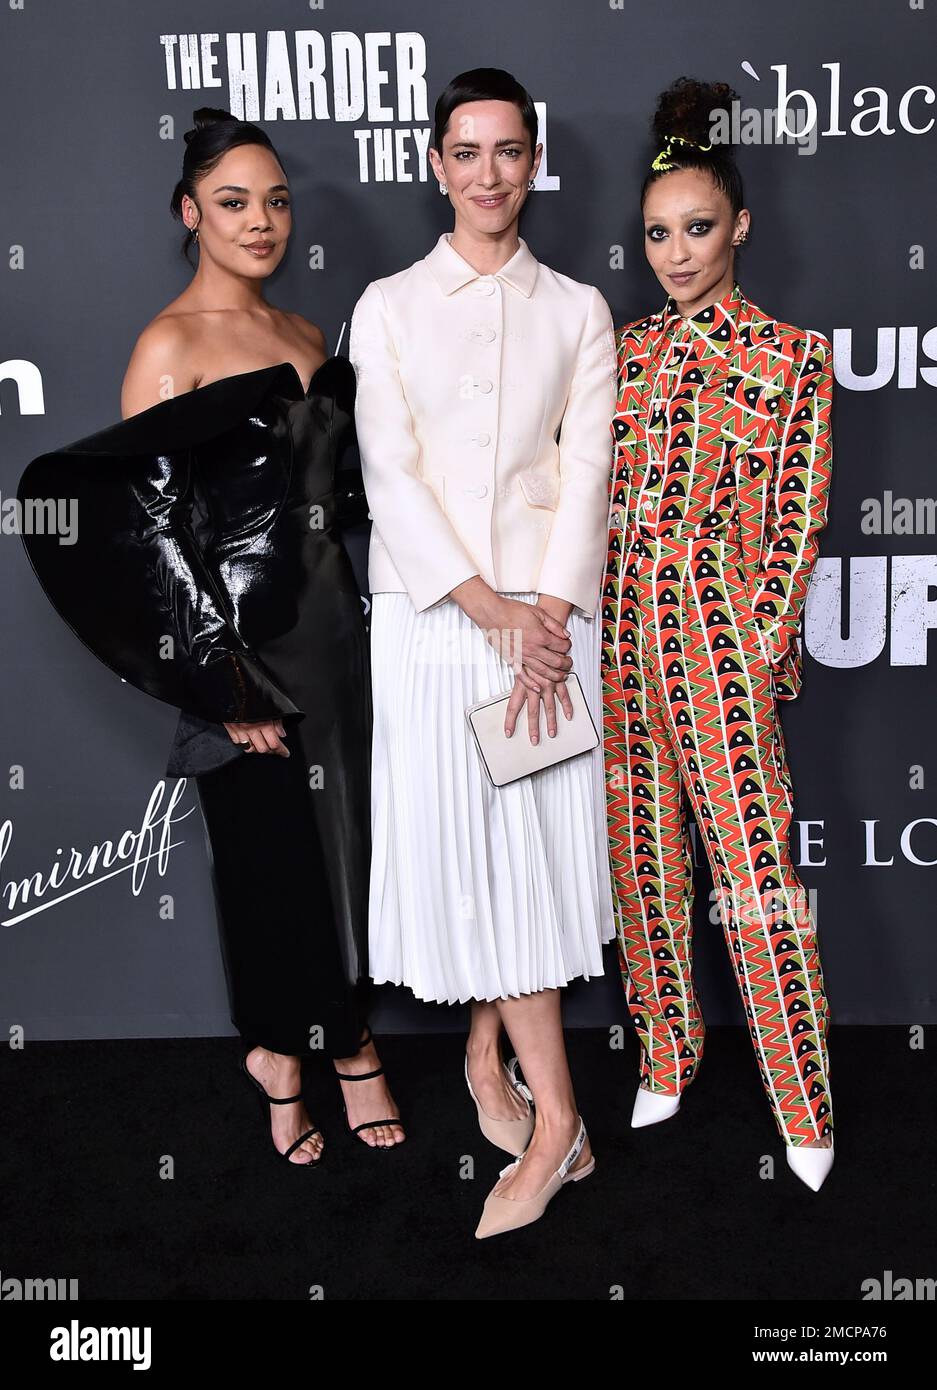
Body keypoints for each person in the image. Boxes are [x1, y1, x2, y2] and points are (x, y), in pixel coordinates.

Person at [17, 107, 404, 1166]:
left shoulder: (308, 337)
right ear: (190, 213)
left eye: (276, 201)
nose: (261, 221)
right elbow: (142, 537)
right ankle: (327, 1054)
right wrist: (225, 687)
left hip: (337, 641)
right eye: (234, 202)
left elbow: (346, 504)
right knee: (272, 867)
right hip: (243, 658)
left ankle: (290, 1051)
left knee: (346, 864)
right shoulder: (170, 343)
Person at [349, 68, 617, 1236]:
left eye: (509, 151)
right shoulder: (388, 305)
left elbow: (589, 469)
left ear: (534, 160)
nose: (489, 174)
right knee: (474, 867)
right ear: (436, 163)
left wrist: (546, 612)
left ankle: (543, 1119)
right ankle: (499, 1077)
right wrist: (488, 608)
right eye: (467, 151)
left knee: (533, 872)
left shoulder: (579, 308)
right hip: (429, 618)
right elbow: (388, 473)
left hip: (552, 627)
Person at [602, 77, 835, 1190]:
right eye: (656, 234)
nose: (676, 253)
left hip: (716, 647)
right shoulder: (622, 354)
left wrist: (749, 652)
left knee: (752, 877)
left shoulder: (790, 357)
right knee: (644, 869)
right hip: (617, 645)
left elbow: (794, 521)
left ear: (739, 224)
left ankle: (804, 1106)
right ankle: (666, 1053)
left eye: (697, 229)